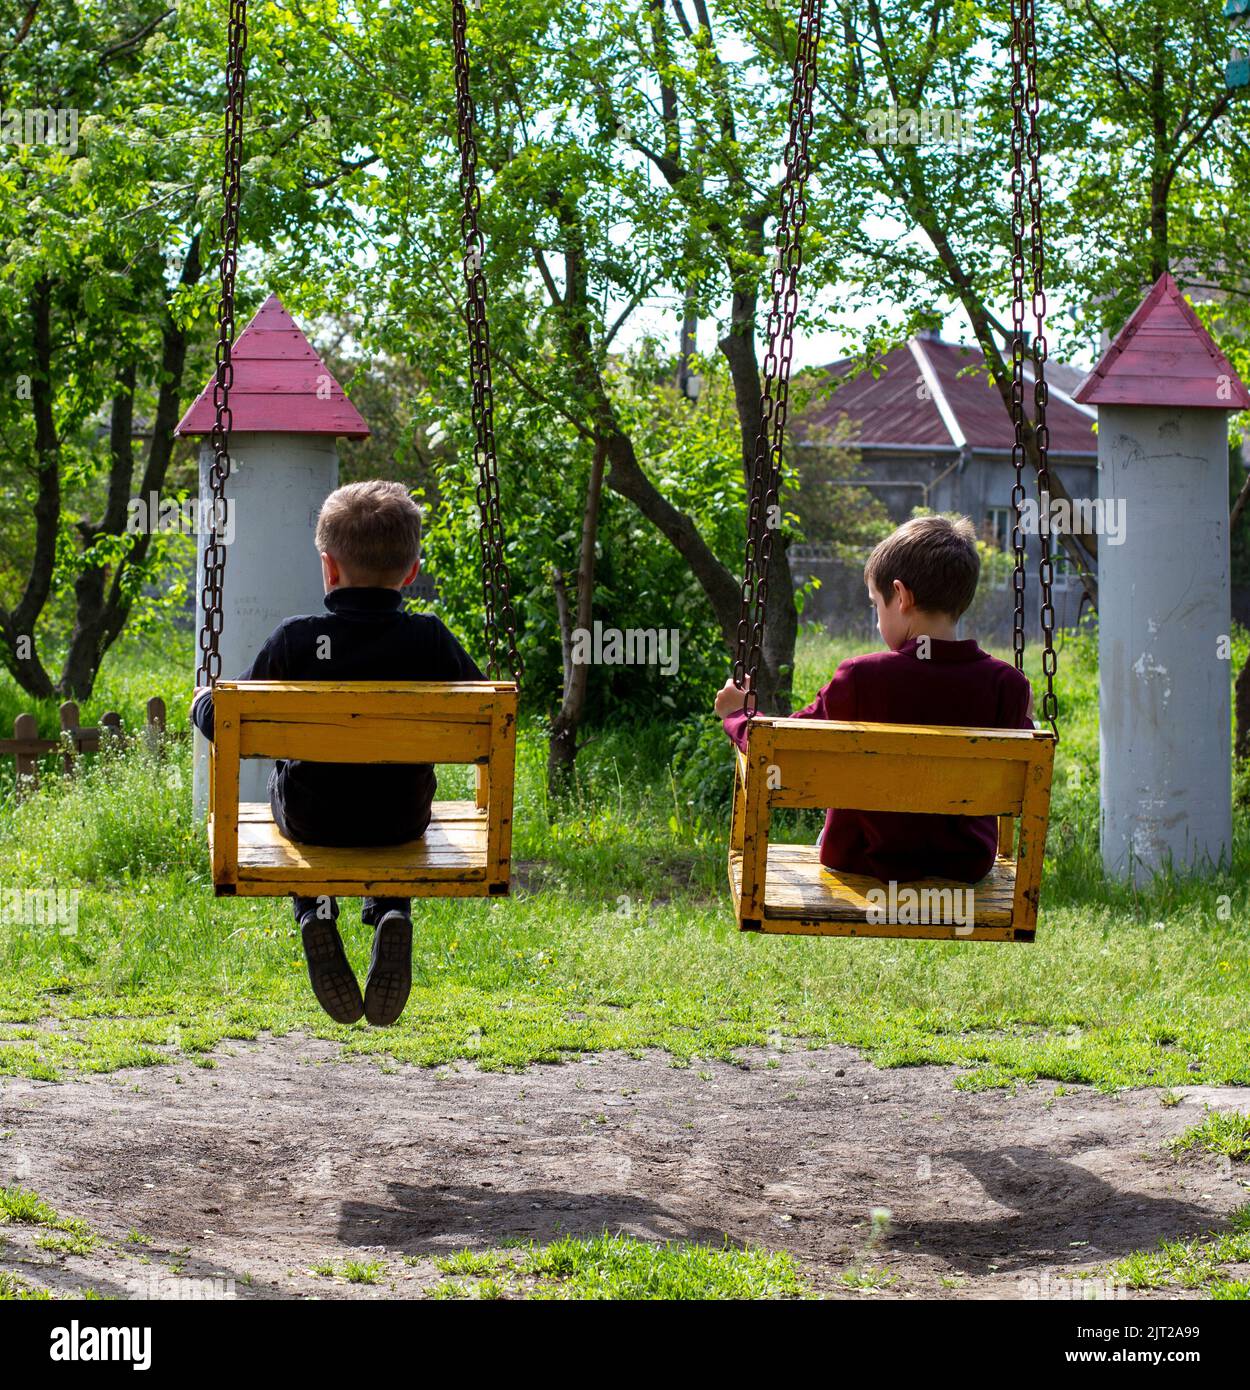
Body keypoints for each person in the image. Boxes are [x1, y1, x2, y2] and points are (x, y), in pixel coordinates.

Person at [192, 480, 482, 1026]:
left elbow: (229, 727)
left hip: (313, 819)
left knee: (295, 782)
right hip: (400, 819)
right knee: (395, 793)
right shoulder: (429, 640)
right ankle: (391, 910)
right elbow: (490, 720)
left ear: (328, 568)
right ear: (411, 572)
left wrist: (202, 704)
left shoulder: (296, 640)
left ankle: (314, 911)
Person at [714, 514, 1034, 884]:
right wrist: (1025, 719)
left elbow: (778, 747)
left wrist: (738, 713)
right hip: (964, 864)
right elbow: (1024, 768)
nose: (877, 619)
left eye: (875, 605)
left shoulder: (860, 678)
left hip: (860, 859)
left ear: (901, 596)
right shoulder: (1005, 685)